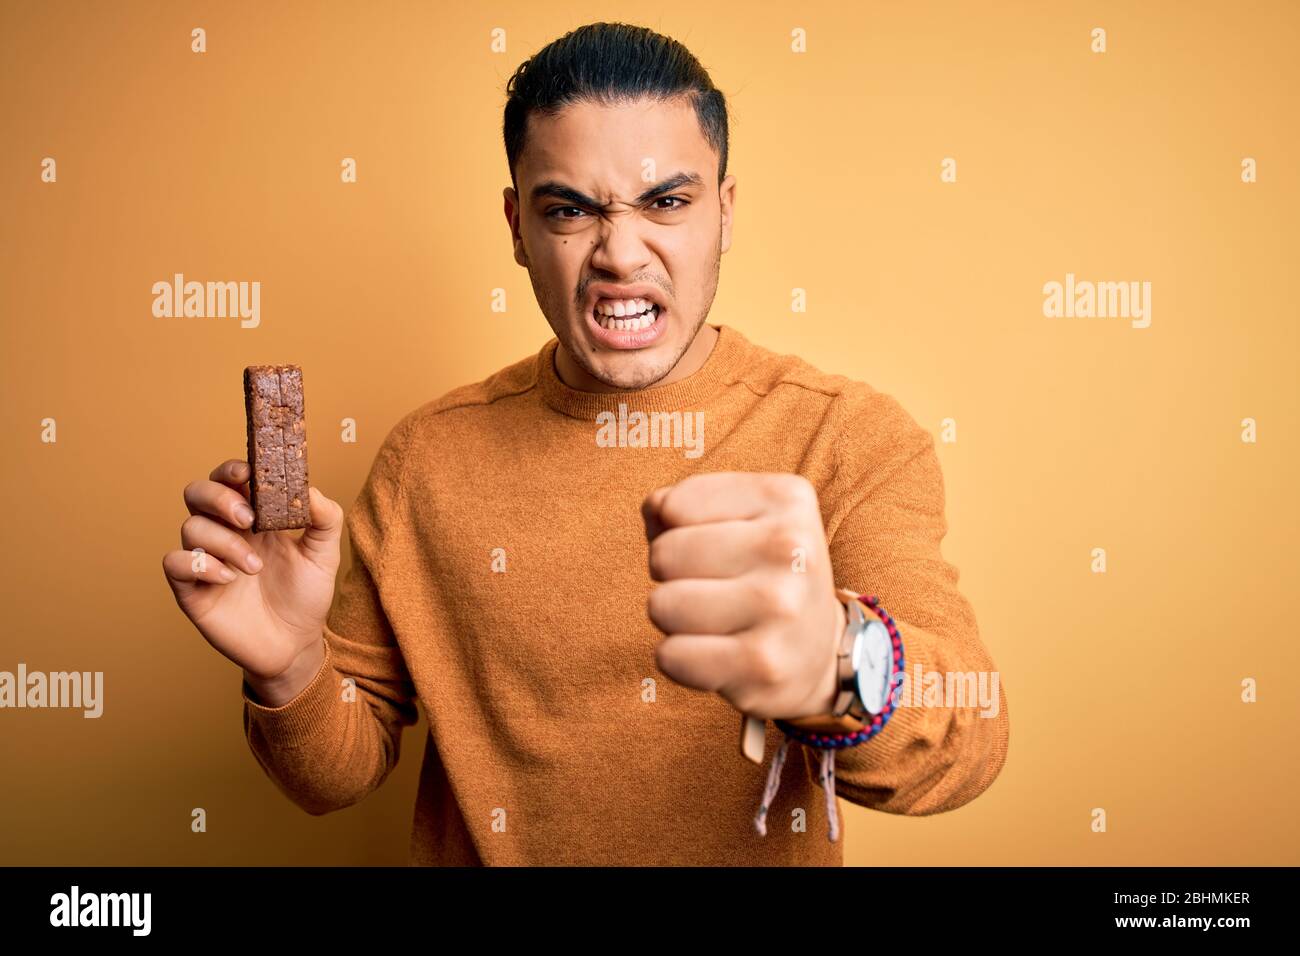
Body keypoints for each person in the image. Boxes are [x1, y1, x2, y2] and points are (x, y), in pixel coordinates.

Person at [162, 21, 1008, 866]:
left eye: (667, 203)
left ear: (725, 212)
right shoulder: (426, 459)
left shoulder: (846, 437)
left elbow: (969, 740)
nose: (620, 254)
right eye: (570, 210)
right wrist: (290, 665)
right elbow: (336, 778)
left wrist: (836, 660)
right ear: (517, 227)